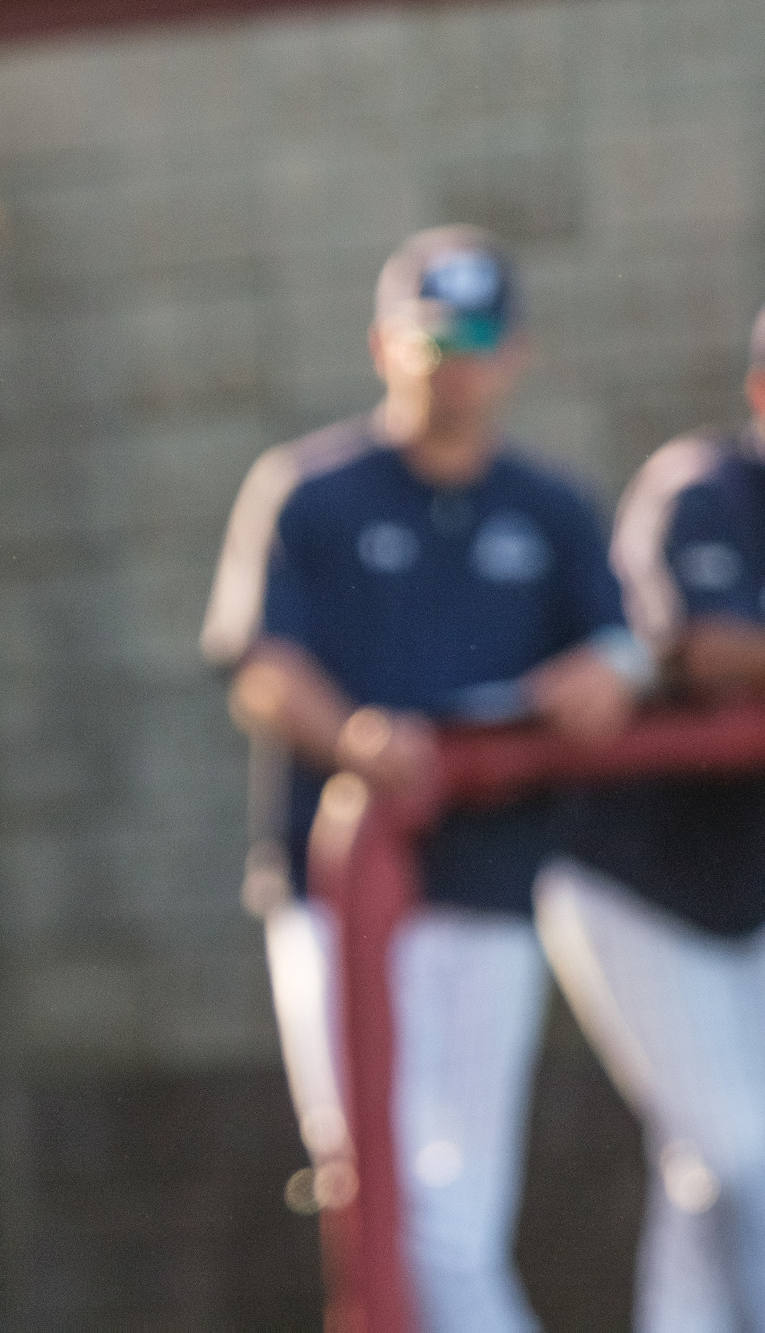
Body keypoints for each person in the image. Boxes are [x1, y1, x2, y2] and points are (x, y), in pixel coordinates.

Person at [201, 225, 646, 1331]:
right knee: (374, 1178)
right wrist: (353, 735)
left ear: (516, 353)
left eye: (476, 336)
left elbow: (622, 647)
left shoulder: (547, 505)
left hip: (490, 879)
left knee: (453, 1209)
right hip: (335, 883)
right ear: (382, 343)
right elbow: (255, 659)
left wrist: (609, 670)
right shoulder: (310, 489)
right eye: (429, 335)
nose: (451, 359)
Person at [538, 303, 765, 1330]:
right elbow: (710, 654)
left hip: (745, 884)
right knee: (731, 1146)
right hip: (635, 878)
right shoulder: (703, 486)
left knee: (713, 1162)